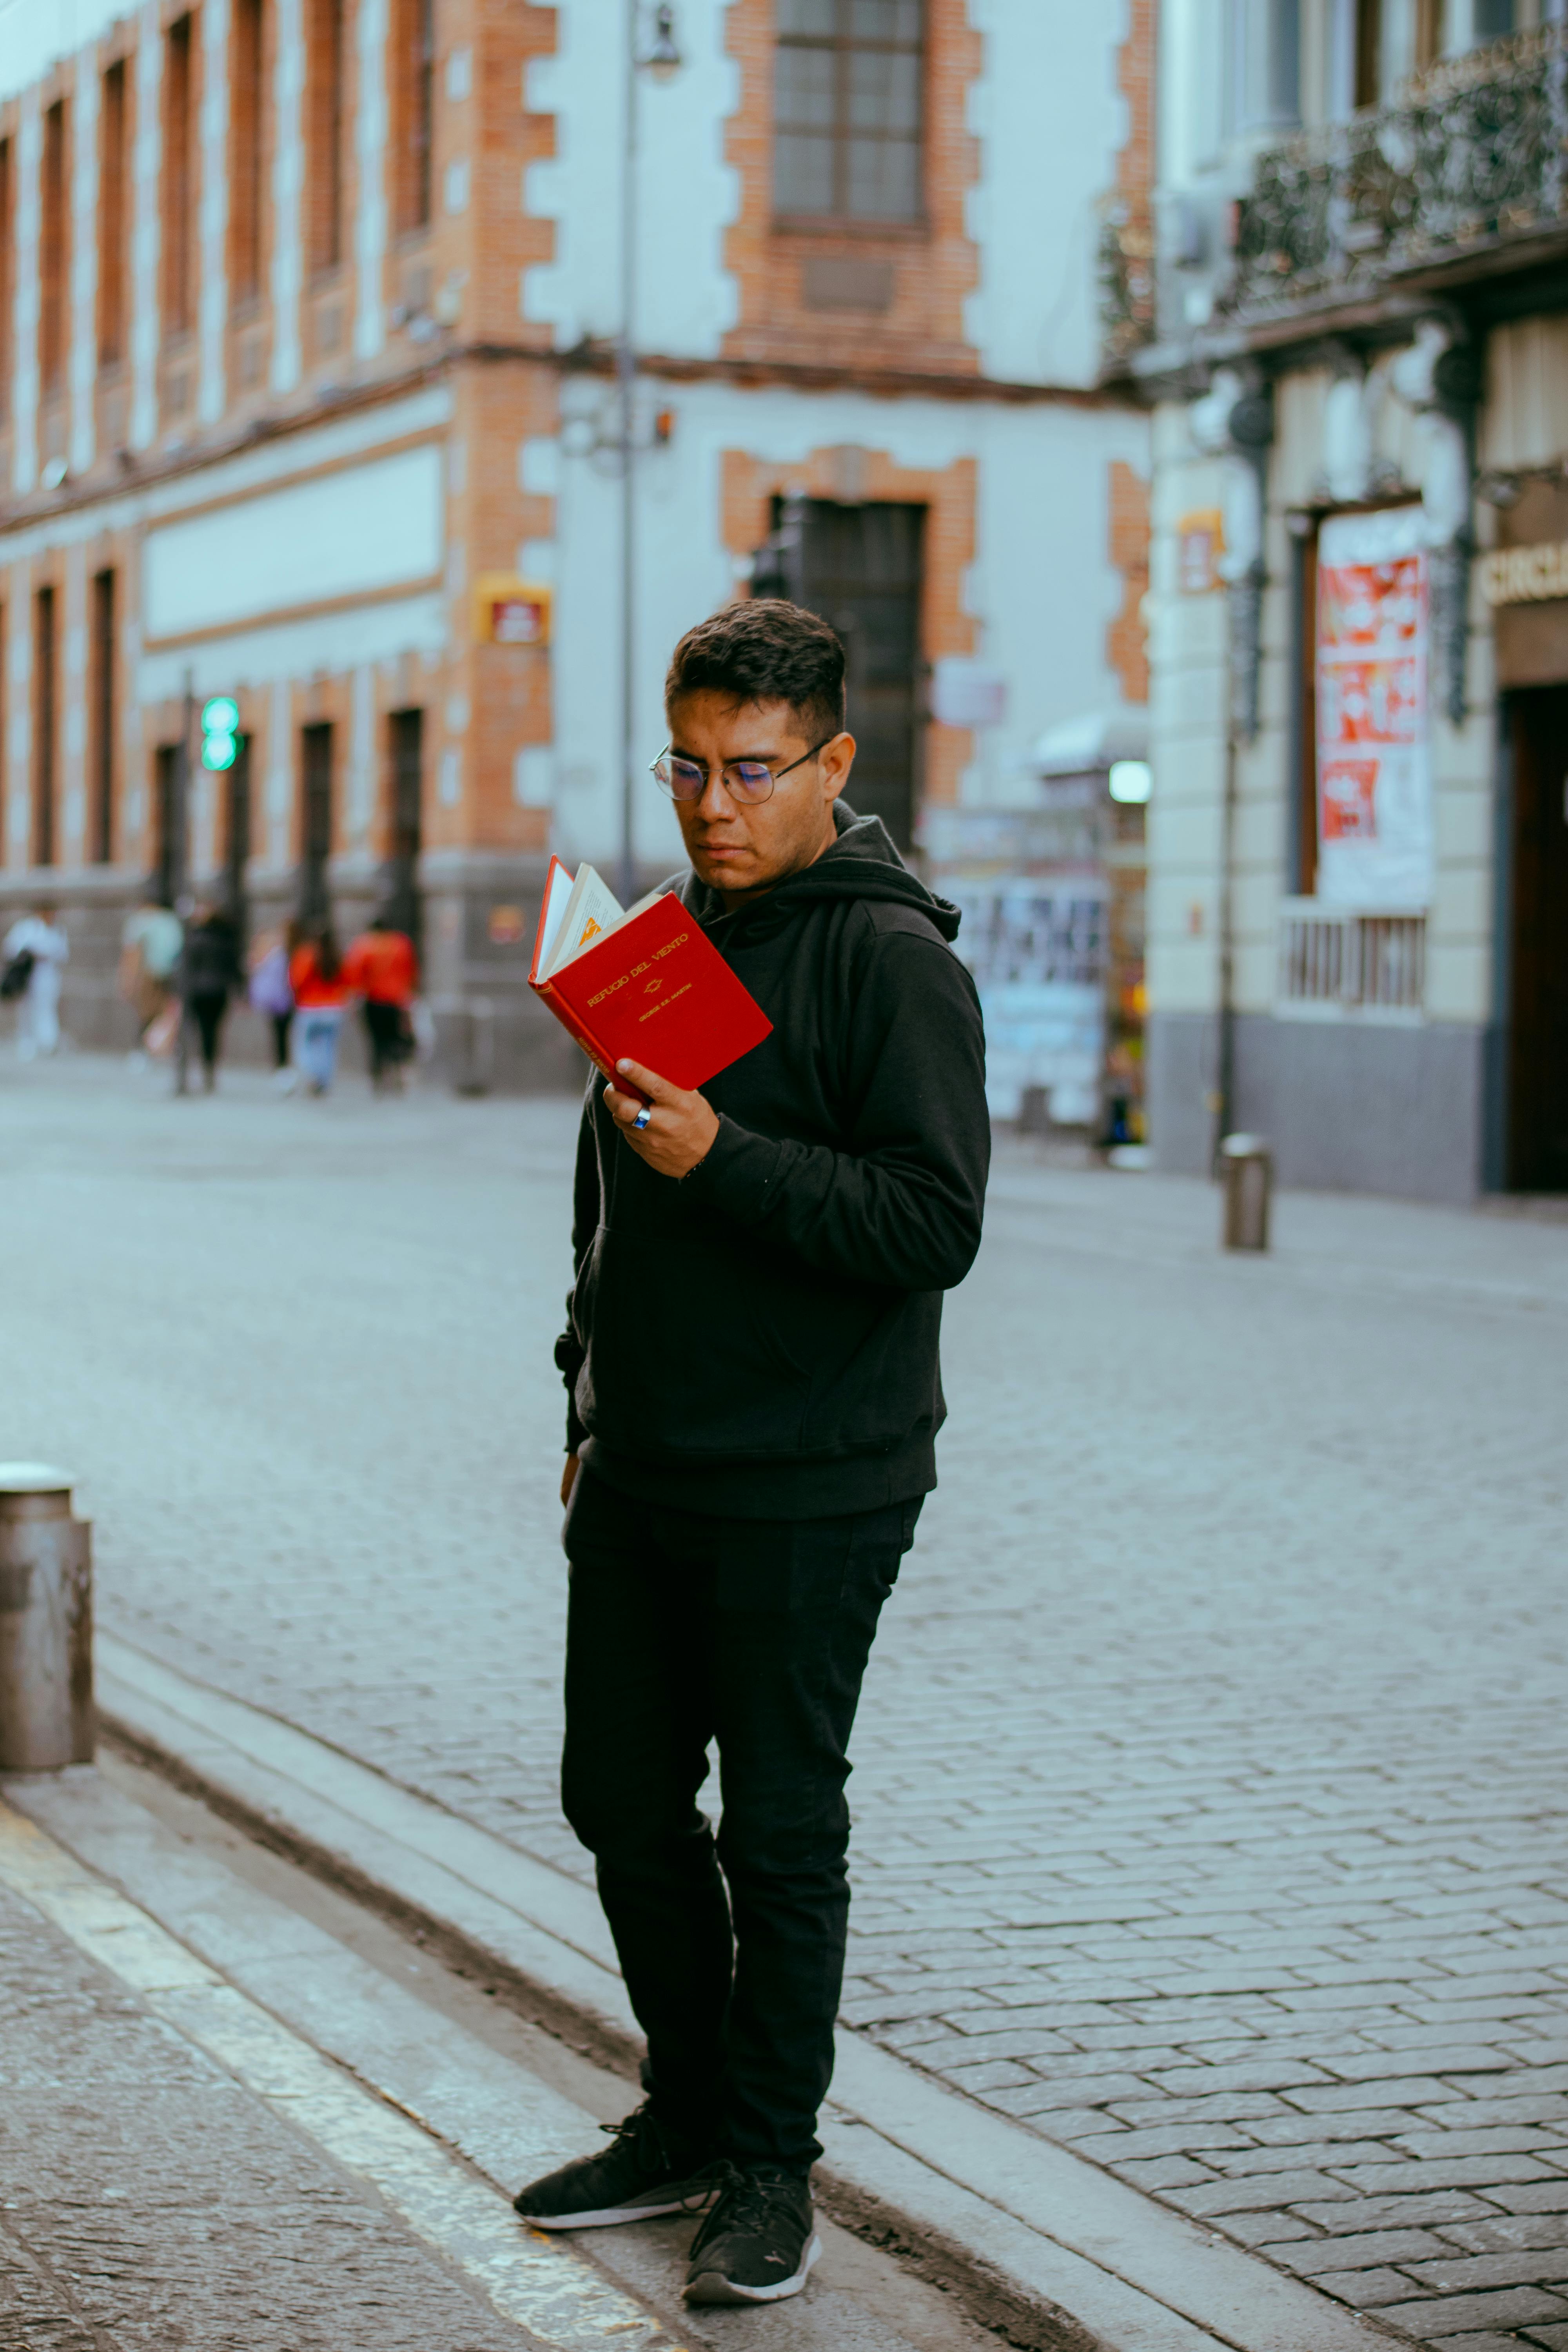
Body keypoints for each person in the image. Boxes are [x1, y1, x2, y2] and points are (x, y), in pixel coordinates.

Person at [511, 601, 989, 2308]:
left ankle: (769, 2163)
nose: (715, 805)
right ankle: (690, 2108)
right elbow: (610, 1201)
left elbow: (931, 1222)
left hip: (815, 1472)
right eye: (689, 767)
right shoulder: (672, 939)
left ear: (832, 762)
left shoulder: (893, 962)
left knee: (778, 1829)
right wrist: (584, 1399)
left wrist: (726, 1153)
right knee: (618, 1797)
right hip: (648, 1461)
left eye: (754, 771)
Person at [342, 910, 419, 1091]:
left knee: (377, 1039)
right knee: (395, 1036)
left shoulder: (364, 945)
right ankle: (397, 1072)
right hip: (397, 1000)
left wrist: (352, 999)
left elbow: (353, 974)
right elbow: (411, 971)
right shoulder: (401, 944)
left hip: (374, 1000)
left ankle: (378, 1075)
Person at [180, 902, 242, 1091]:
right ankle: (209, 1065)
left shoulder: (194, 938)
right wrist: (240, 990)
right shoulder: (226, 939)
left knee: (201, 1029)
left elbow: (187, 967)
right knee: (212, 1031)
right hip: (218, 991)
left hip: (198, 992)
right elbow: (234, 968)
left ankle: (203, 1066)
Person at [119, 896, 184, 1060]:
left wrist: (128, 979)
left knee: (147, 1013)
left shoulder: (142, 921)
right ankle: (159, 1047)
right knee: (164, 1012)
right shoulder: (171, 920)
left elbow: (132, 952)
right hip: (169, 974)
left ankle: (145, 1049)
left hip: (150, 973)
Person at [3, 903, 69, 1061]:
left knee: (47, 1008)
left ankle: (47, 1042)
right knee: (26, 1009)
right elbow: (11, 948)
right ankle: (27, 1043)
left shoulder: (58, 930)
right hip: (27, 975)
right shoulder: (26, 928)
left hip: (48, 976)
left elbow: (63, 954)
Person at [289, 922, 349, 1094]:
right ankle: (324, 1079)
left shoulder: (306, 954)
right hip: (334, 1008)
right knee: (328, 1047)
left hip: (310, 1007)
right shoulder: (338, 956)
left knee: (306, 1045)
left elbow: (297, 981)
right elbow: (347, 981)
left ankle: (311, 1075)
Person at [248, 921, 301, 1091]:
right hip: (282, 1002)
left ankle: (284, 1070)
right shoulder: (278, 955)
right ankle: (284, 1071)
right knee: (282, 1037)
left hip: (283, 1001)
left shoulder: (279, 955)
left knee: (282, 1037)